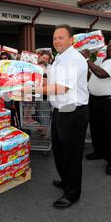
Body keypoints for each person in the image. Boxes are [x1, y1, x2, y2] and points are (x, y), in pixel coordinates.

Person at [35, 24, 89, 209]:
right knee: (59, 151)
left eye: (61, 37)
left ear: (71, 39)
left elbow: (61, 88)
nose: (57, 41)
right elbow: (51, 82)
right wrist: (28, 79)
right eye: (54, 38)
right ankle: (66, 181)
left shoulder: (74, 59)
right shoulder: (59, 58)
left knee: (71, 154)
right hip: (60, 110)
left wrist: (33, 89)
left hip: (74, 113)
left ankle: (73, 192)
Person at [83, 39, 111, 176]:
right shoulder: (102, 60)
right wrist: (86, 67)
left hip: (109, 102)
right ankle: (99, 152)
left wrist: (86, 59)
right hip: (94, 100)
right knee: (96, 129)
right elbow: (93, 75)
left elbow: (101, 75)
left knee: (110, 132)